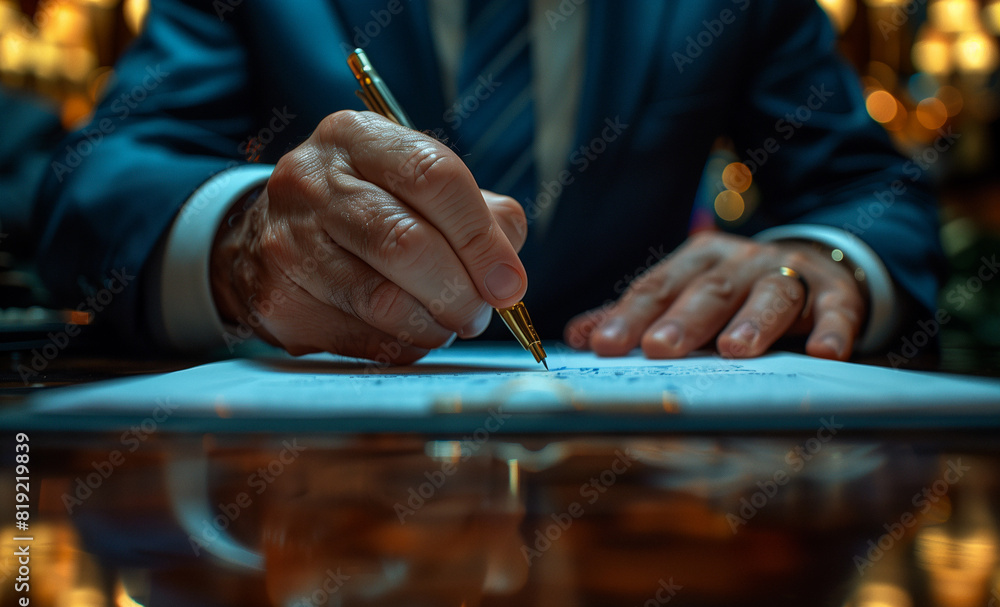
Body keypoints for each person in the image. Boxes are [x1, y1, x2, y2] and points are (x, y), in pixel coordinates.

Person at [32, 0, 945, 364]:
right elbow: (98, 178)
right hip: (318, 497)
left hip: (644, 497)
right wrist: (243, 246)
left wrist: (819, 260)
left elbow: (869, 187)